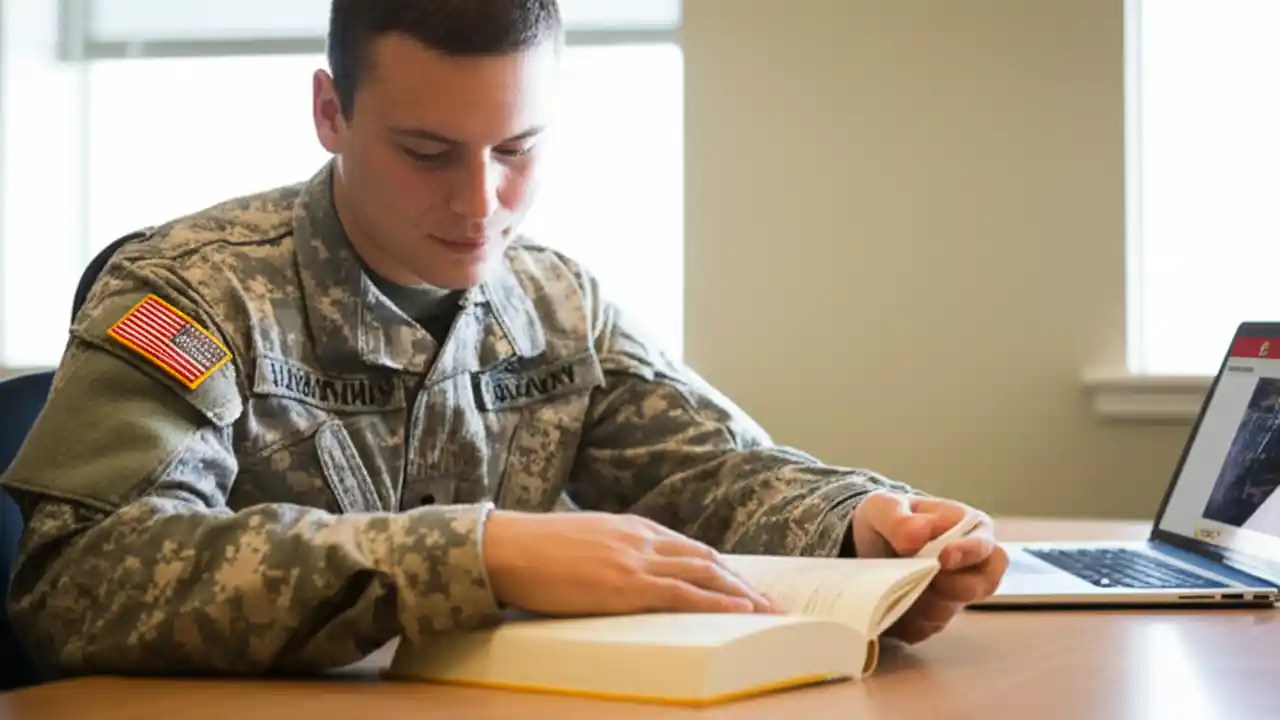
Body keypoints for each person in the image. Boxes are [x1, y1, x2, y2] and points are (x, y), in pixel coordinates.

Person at [1, 0, 1008, 677]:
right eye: (427, 152)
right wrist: (477, 554)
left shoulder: (553, 300)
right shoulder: (190, 295)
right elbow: (75, 581)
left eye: (516, 150)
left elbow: (711, 470)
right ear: (329, 111)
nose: (481, 203)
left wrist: (866, 525)